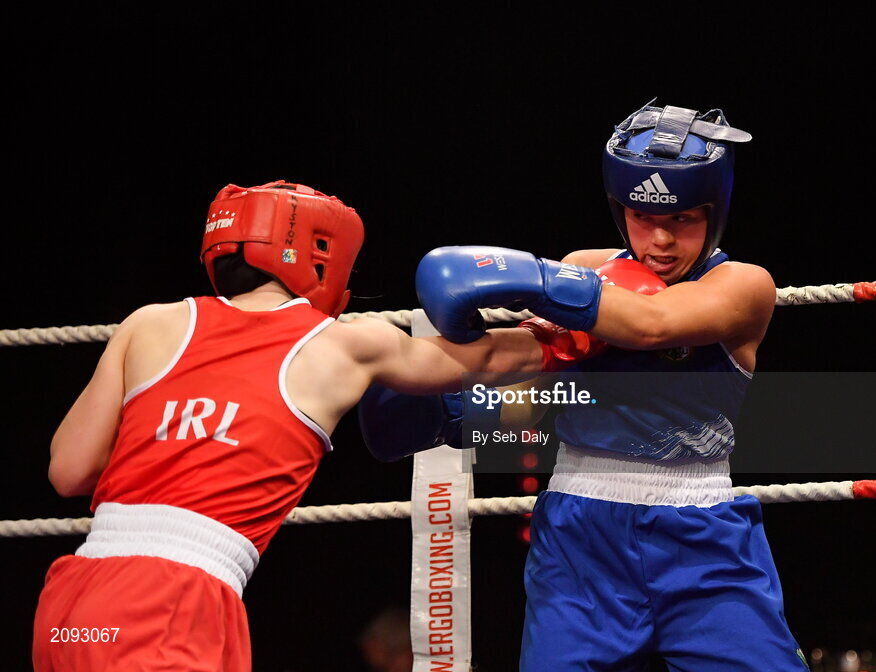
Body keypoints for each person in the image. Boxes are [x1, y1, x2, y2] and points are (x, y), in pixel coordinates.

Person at [33, 180, 558, 671]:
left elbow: (70, 470)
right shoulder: (343, 343)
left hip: (73, 603)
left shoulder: (148, 322)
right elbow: (486, 362)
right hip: (172, 601)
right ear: (325, 257)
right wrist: (584, 326)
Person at [413, 103, 809, 671]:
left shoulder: (743, 285)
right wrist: (455, 413)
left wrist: (536, 279)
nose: (661, 240)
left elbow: (655, 324)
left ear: (714, 212)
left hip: (700, 531)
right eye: (644, 218)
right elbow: (542, 395)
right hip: (579, 532)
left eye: (682, 219)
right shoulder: (583, 269)